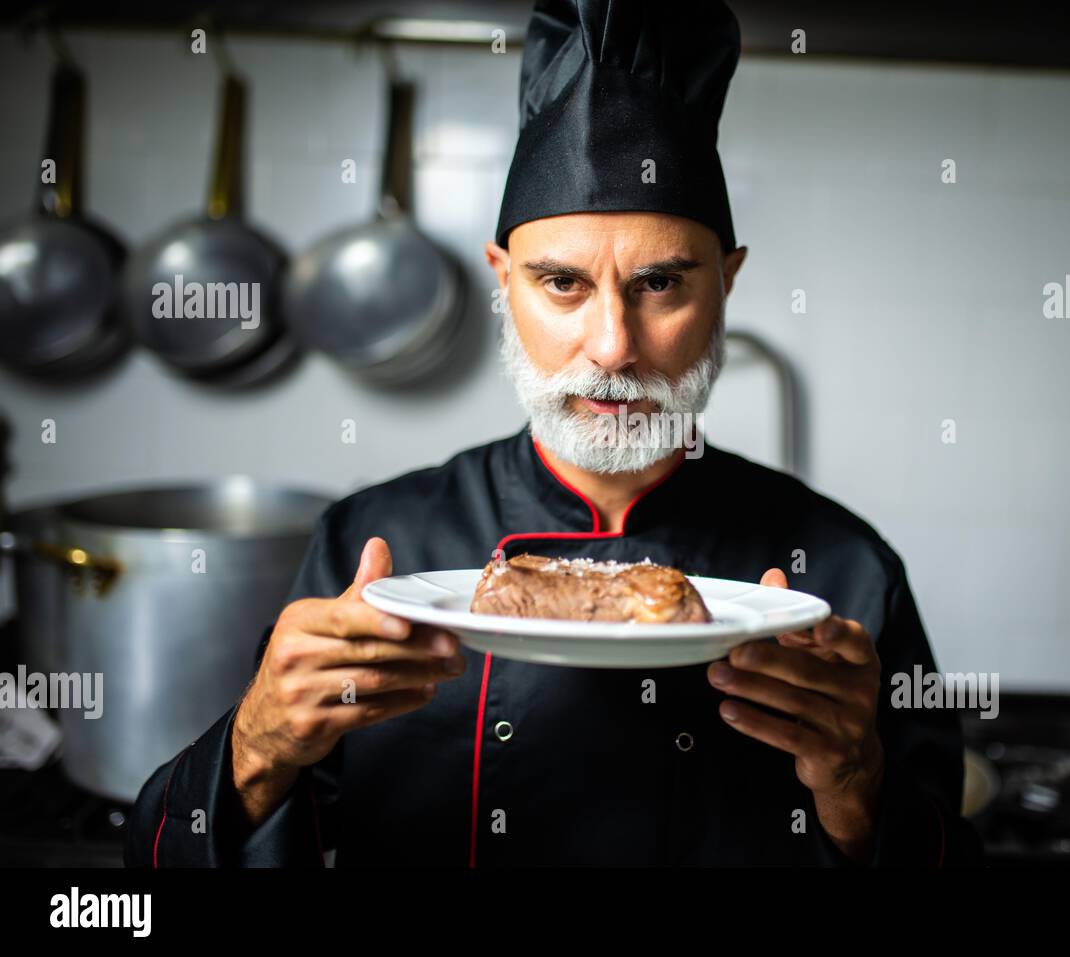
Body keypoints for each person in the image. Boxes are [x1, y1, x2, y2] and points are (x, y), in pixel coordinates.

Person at [125, 0, 981, 868]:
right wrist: (259, 747)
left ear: (726, 283)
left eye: (660, 284)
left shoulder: (840, 574)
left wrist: (859, 792)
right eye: (562, 283)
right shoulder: (377, 551)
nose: (612, 347)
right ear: (504, 282)